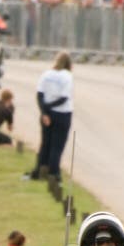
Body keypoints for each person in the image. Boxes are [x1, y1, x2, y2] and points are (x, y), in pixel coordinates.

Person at [28, 51, 73, 181]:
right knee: (57, 145)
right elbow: (64, 98)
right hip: (62, 114)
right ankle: (54, 173)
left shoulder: (46, 74)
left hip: (46, 114)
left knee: (45, 143)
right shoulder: (67, 76)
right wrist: (50, 108)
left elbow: (40, 95)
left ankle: (40, 168)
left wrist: (44, 112)